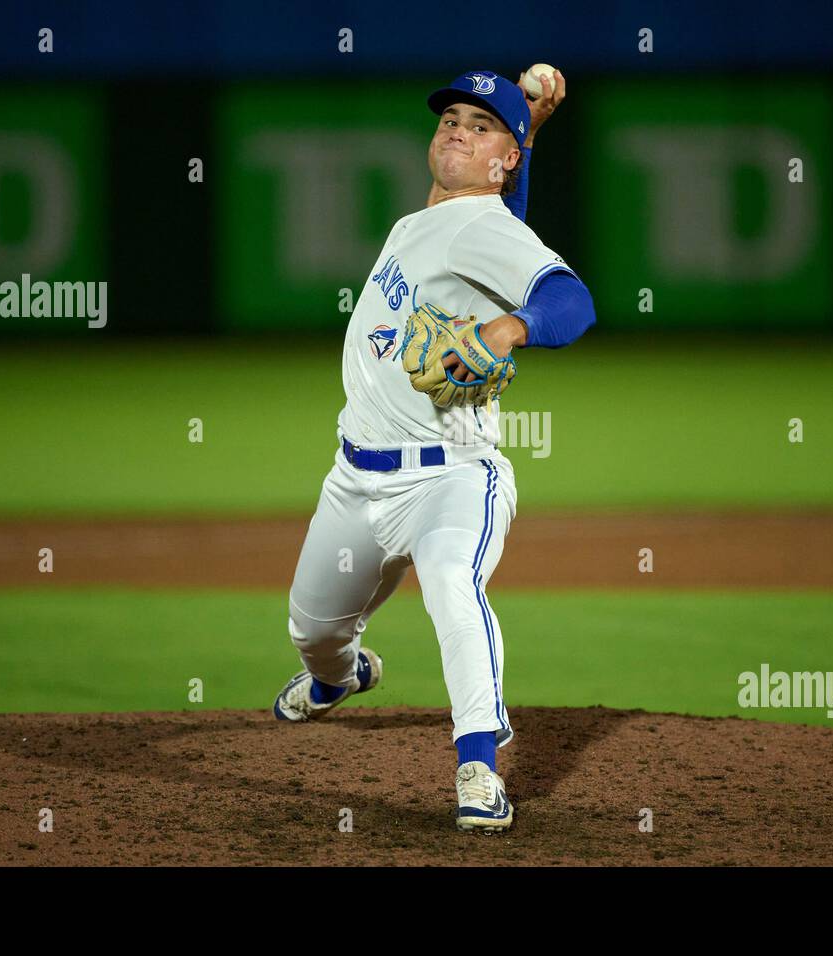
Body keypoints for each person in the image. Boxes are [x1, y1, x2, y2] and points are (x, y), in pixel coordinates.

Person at [273, 68, 595, 832]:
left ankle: (478, 764)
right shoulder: (440, 217)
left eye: (480, 125)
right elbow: (491, 211)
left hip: (451, 476)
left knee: (452, 581)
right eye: (451, 117)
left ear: (503, 156)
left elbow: (569, 299)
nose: (456, 128)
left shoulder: (484, 227)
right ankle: (341, 678)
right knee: (312, 633)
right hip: (355, 481)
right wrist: (524, 131)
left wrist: (506, 328)